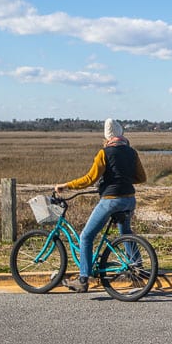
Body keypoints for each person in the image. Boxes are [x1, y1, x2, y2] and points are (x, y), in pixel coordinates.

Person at [54, 119, 147, 292]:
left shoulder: (105, 153)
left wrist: (66, 186)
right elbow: (142, 178)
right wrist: (123, 179)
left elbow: (89, 179)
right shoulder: (132, 152)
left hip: (111, 200)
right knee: (125, 232)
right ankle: (137, 268)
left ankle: (83, 279)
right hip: (129, 199)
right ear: (121, 135)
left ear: (107, 137)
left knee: (86, 237)